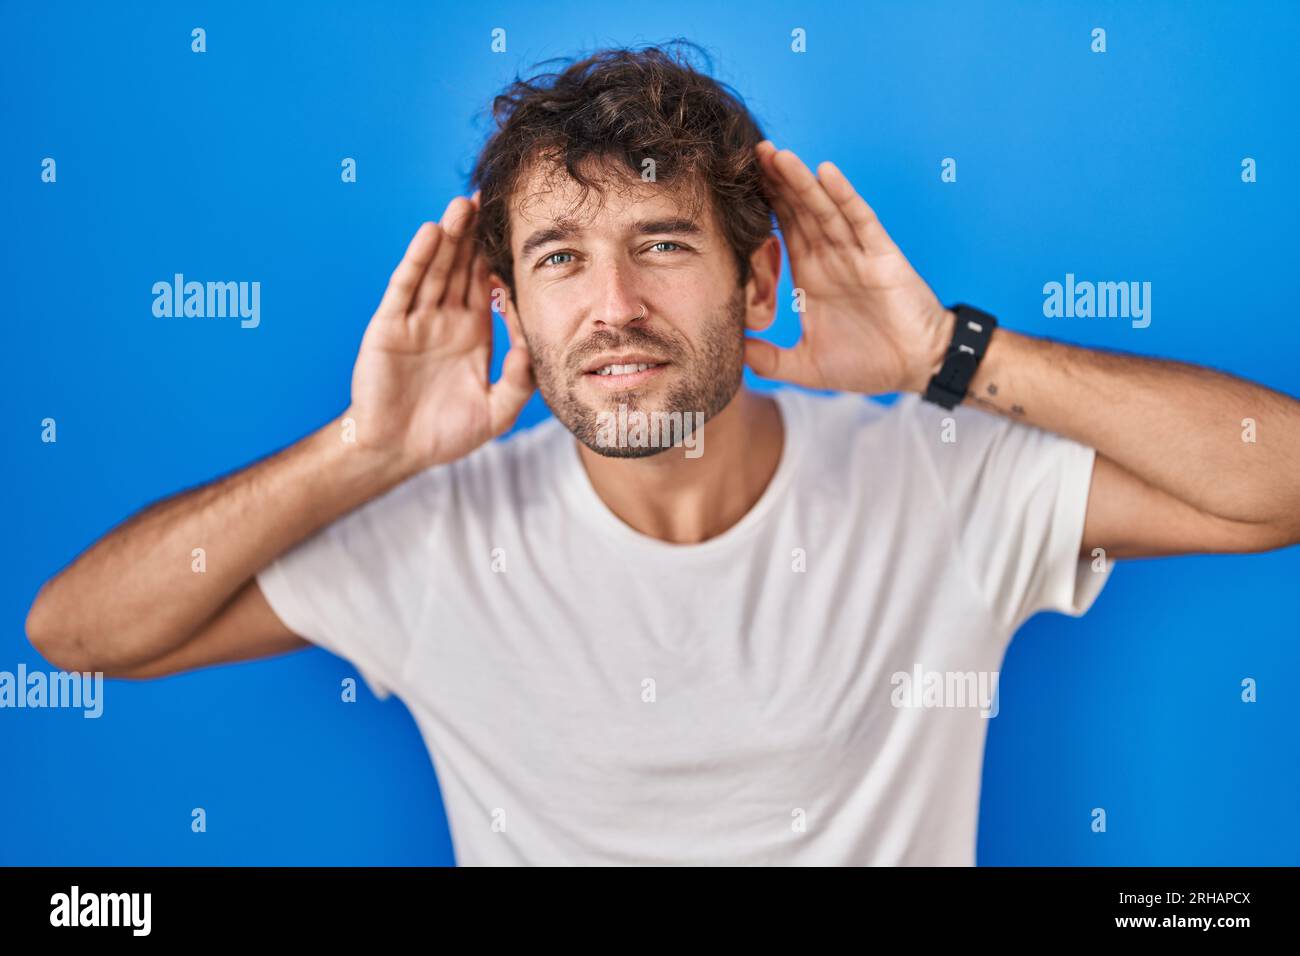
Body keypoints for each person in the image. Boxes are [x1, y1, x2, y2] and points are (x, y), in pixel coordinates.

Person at [25, 45, 1300, 865]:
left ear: (757, 284)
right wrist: (362, 452)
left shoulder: (941, 480)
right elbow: (83, 633)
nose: (614, 303)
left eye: (664, 242)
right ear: (512, 313)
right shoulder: (434, 534)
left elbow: (1275, 481)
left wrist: (949, 360)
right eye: (561, 258)